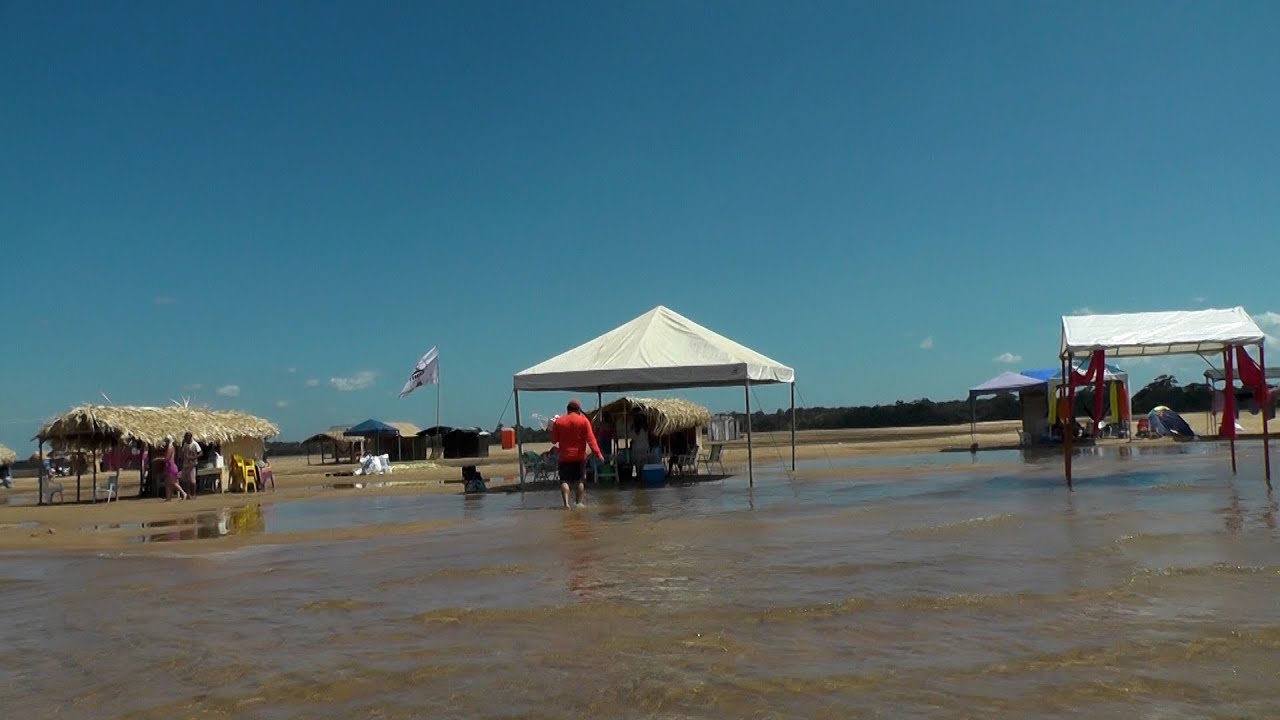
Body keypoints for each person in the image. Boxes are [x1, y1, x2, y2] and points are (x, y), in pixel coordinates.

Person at [550, 399, 603, 509]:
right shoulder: (584, 421)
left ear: (567, 410)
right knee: (580, 481)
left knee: (564, 481)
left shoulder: (559, 422)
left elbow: (554, 440)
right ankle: (578, 503)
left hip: (564, 457)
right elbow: (591, 440)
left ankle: (566, 504)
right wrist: (598, 454)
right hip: (579, 457)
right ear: (578, 410)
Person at [162, 435, 187, 501]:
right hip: (169, 466)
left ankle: (183, 493)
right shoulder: (170, 447)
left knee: (173, 482)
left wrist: (158, 459)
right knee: (167, 482)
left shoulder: (170, 447)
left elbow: (167, 458)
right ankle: (168, 497)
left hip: (171, 467)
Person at [180, 432, 201, 497]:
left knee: (192, 480)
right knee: (186, 480)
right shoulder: (185, 444)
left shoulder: (195, 444)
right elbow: (183, 452)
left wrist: (193, 457)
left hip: (192, 464)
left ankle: (194, 494)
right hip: (186, 464)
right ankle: (188, 494)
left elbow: (200, 453)